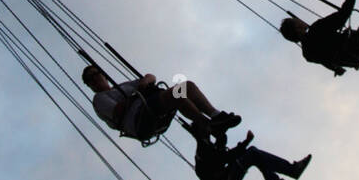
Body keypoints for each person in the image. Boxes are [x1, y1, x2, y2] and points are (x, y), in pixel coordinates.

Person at [82, 66, 241, 143]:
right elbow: (117, 111)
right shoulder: (99, 99)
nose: (96, 79)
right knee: (175, 96)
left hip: (149, 107)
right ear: (90, 85)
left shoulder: (122, 86)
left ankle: (216, 116)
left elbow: (150, 77)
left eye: (97, 74)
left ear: (103, 75)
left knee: (186, 88)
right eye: (91, 79)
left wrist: (145, 82)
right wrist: (138, 93)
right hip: (138, 119)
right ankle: (208, 125)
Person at [183, 117, 311, 180]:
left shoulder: (205, 146)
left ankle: (280, 179)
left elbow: (222, 152)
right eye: (206, 126)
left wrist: (222, 134)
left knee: (256, 156)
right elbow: (227, 157)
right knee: (253, 153)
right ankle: (283, 177)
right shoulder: (204, 149)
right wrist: (246, 141)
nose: (209, 128)